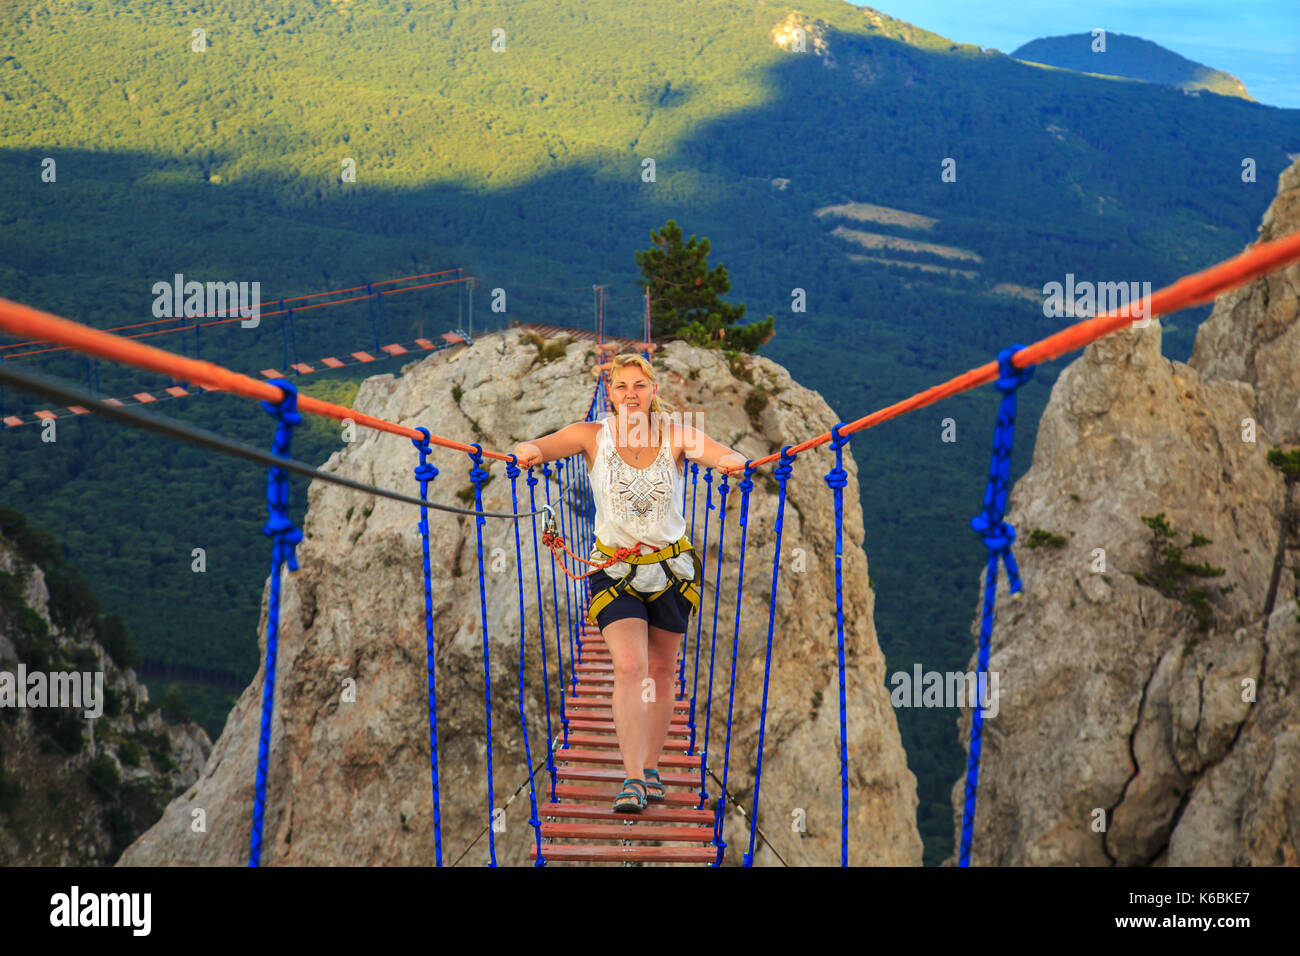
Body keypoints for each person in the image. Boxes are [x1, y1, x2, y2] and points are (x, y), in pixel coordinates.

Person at [513, 353, 746, 812]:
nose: (631, 394)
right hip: (613, 572)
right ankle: (634, 778)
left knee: (661, 673)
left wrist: (734, 461)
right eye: (621, 386)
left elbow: (721, 454)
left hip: (671, 571)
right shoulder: (590, 436)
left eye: (640, 385)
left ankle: (653, 766)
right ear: (610, 394)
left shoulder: (676, 436)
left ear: (653, 390)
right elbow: (541, 447)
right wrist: (526, 452)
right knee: (629, 666)